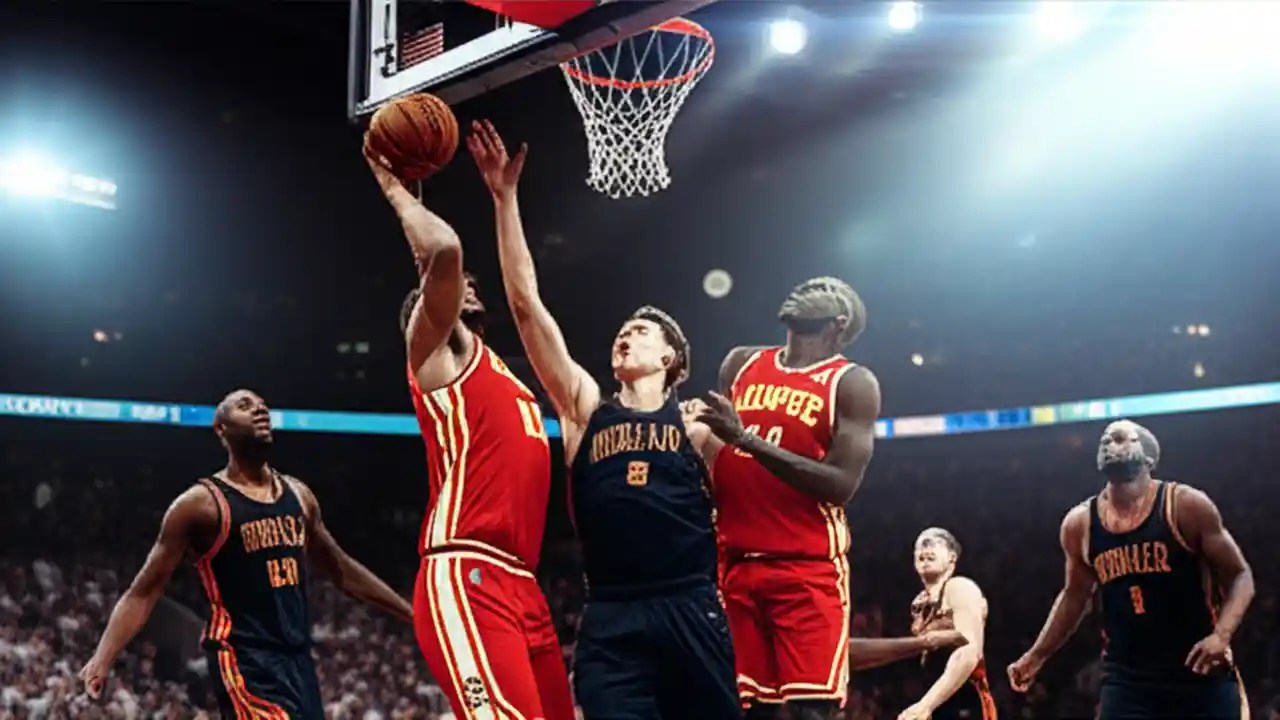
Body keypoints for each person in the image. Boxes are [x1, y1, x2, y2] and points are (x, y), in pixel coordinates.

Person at [467, 119, 740, 719]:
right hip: (612, 614)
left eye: (640, 331)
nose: (625, 335)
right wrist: (505, 200)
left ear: (670, 358)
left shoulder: (698, 425)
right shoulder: (584, 407)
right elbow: (526, 307)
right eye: (622, 330)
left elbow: (756, 501)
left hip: (691, 605)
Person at [365, 137, 576, 720]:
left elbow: (525, 295)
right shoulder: (437, 360)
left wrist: (505, 200)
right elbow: (444, 251)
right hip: (465, 568)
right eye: (453, 288)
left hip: (522, 581)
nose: (467, 284)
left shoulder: (503, 373)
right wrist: (395, 190)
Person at [78, 389, 412, 719]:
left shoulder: (299, 496)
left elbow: (342, 570)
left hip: (298, 662)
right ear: (220, 428)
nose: (259, 409)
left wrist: (411, 614)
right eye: (245, 405)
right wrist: (102, 658)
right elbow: (144, 591)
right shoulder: (200, 504)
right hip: (243, 660)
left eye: (263, 405)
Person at [694, 276, 881, 720]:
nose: (804, 288)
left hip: (805, 567)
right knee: (744, 711)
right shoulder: (740, 363)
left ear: (840, 321)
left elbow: (840, 484)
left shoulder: (851, 383)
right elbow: (718, 453)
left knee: (809, 713)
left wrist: (746, 439)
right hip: (735, 565)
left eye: (822, 288)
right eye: (804, 283)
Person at [1008, 420, 1254, 719]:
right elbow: (1075, 597)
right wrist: (1036, 655)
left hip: (1198, 668)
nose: (1109, 444)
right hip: (1128, 679)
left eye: (1120, 438)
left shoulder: (1184, 506)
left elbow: (1241, 576)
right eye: (1104, 441)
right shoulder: (1079, 523)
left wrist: (1221, 636)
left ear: (1149, 457)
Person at [897, 528, 997, 720]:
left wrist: (925, 705)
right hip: (936, 702)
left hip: (966, 703)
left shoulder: (960, 587)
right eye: (920, 545)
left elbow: (969, 650)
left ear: (952, 557)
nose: (925, 545)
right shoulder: (919, 606)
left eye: (935, 542)